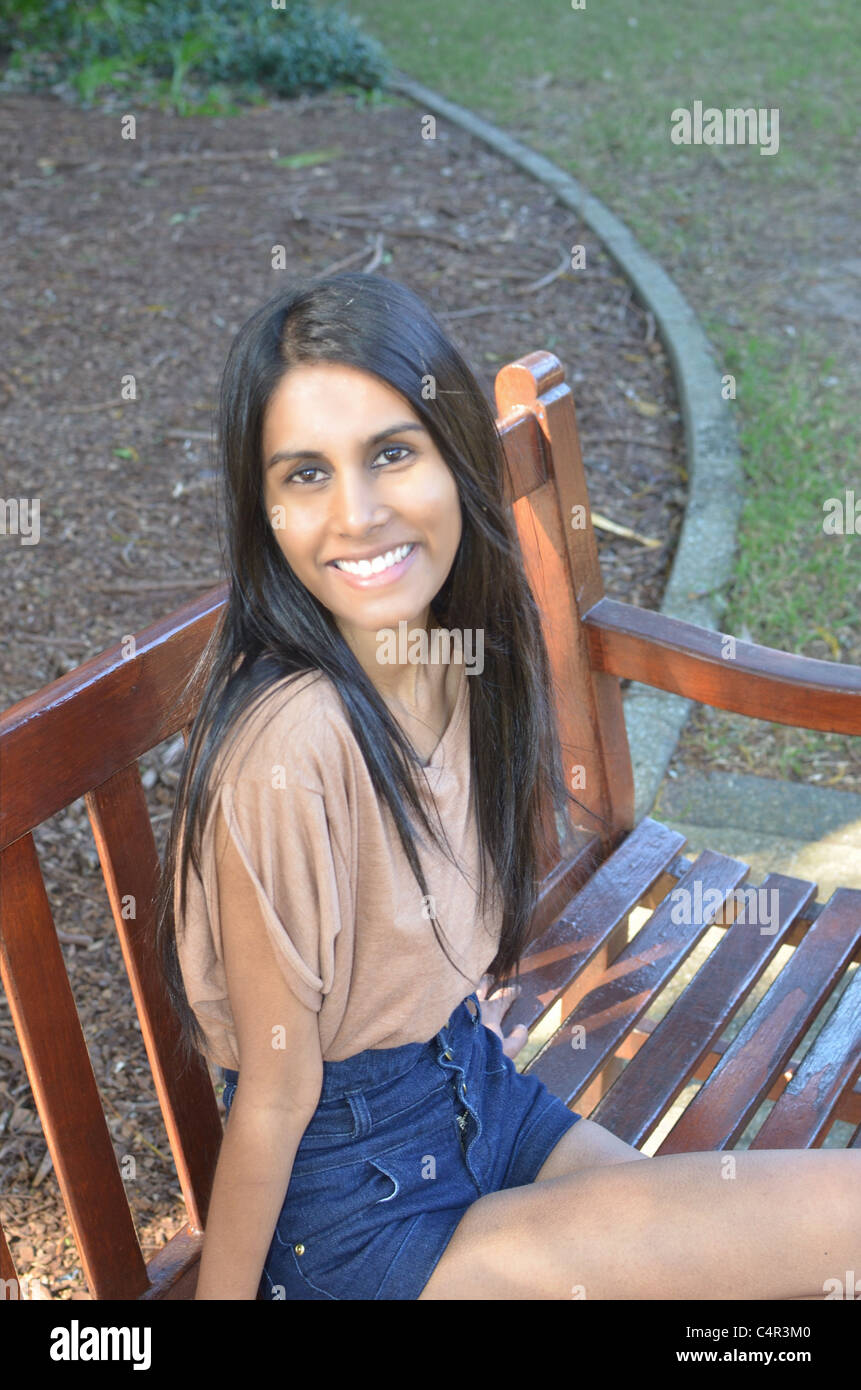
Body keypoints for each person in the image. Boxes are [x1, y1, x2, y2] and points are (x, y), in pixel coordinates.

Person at [155, 271, 860, 1301]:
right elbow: (273, 1090)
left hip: (478, 1094)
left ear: (454, 459)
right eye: (306, 473)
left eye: (391, 453)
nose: (357, 513)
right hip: (361, 1216)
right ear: (264, 510)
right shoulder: (292, 744)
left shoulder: (458, 655)